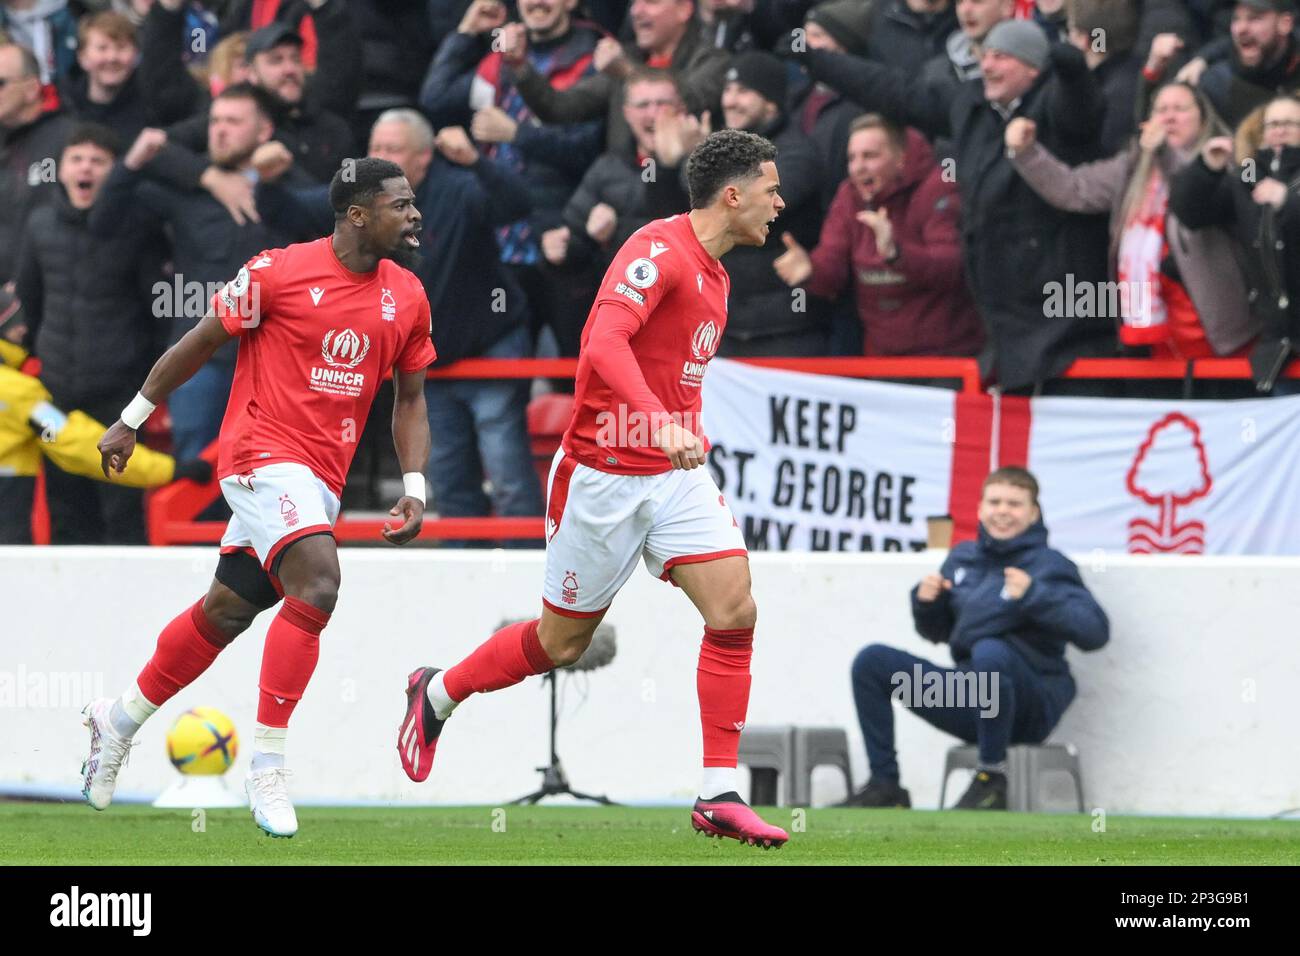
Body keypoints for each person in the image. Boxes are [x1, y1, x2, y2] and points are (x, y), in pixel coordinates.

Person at [397, 129, 790, 848]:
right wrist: (661, 424)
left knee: (735, 610)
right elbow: (601, 344)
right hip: (602, 476)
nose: (780, 202)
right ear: (733, 195)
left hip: (673, 479)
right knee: (561, 644)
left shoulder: (718, 273)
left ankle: (717, 791)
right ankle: (440, 691)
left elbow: (673, 371)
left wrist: (678, 434)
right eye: (771, 189)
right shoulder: (656, 252)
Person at [81, 157, 438, 838]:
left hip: (319, 479)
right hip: (259, 455)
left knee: (226, 612)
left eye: (413, 202)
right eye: (400, 204)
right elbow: (200, 340)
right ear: (357, 215)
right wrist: (131, 417)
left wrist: (415, 487)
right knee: (320, 584)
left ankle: (115, 719)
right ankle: (268, 765)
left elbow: (412, 398)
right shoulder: (278, 271)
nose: (414, 214)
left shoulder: (408, 295)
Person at [801, 18, 1115, 392]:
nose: (987, 66)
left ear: (1033, 67)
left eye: (1001, 57)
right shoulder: (970, 104)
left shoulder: (1055, 103)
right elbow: (891, 90)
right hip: (1002, 318)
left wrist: (1072, 67)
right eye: (985, 56)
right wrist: (814, 59)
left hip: (1063, 316)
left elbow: (1081, 112)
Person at [846, 467, 1109, 810]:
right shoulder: (962, 558)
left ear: (1034, 512)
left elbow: (1095, 633)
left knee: (990, 651)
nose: (1002, 511)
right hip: (970, 700)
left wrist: (1035, 595)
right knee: (873, 662)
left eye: (1014, 504)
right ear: (981, 509)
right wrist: (927, 603)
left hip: (1030, 708)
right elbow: (939, 633)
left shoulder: (1049, 566)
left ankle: (991, 777)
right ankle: (886, 786)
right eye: (994, 501)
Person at [1004, 82, 1256, 363]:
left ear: (1203, 117)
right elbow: (1074, 189)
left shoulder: (1224, 159)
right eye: (1161, 110)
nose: (1169, 117)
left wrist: (1163, 152)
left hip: (1216, 333)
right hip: (1156, 337)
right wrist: (1027, 152)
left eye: (1180, 109)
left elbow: (1192, 193)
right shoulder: (1132, 166)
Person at [14, 122, 170, 544]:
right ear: (61, 169)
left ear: (115, 171)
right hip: (56, 384)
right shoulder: (40, 222)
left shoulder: (137, 223)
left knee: (121, 499)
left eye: (98, 161)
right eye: (77, 159)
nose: (86, 169)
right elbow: (29, 298)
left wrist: (156, 386)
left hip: (119, 385)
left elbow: (157, 307)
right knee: (65, 501)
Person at [773, 113, 984, 358]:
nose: (858, 167)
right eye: (852, 158)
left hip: (946, 356)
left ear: (901, 159)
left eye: (870, 156)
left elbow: (952, 268)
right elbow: (832, 266)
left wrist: (896, 253)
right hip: (882, 358)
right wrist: (810, 271)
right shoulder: (849, 196)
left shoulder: (938, 188)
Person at [0, 320, 212, 546]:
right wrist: (169, 469)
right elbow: (75, 443)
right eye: (11, 322)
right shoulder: (16, 393)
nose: (23, 328)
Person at [1169, 92, 1300, 392]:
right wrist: (1206, 168)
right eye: (1272, 124)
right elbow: (1191, 212)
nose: (1279, 130)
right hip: (1277, 349)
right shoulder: (1251, 174)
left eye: (1290, 123)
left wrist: (1287, 202)